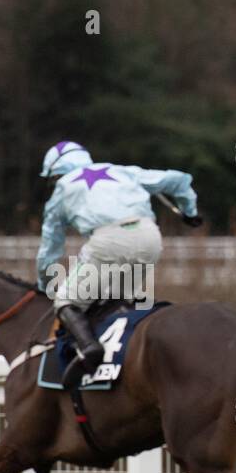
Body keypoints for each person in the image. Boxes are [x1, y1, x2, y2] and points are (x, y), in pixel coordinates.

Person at [36, 141, 203, 386]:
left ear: (58, 173)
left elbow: (49, 252)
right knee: (119, 301)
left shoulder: (63, 188)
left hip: (108, 240)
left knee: (66, 300)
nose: (54, 183)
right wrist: (190, 212)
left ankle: (90, 349)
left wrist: (45, 284)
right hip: (150, 237)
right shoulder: (122, 171)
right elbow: (180, 180)